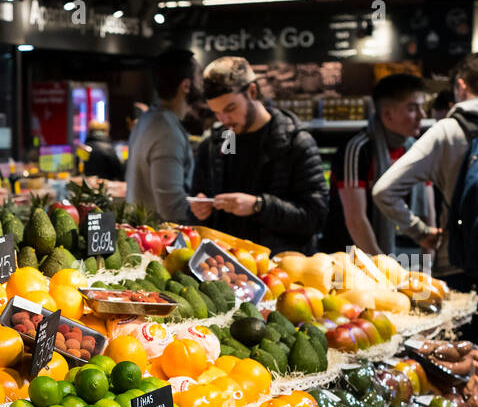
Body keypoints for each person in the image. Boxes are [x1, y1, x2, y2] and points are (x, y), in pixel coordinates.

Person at [374, 50, 478, 364]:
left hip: (458, 267)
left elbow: (384, 191)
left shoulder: (446, 132)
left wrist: (421, 232)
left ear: (461, 86)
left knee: (454, 374)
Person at [191, 56, 328, 254]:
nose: (224, 119)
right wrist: (199, 210)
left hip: (280, 270)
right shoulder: (215, 146)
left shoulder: (295, 143)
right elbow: (199, 204)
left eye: (230, 108)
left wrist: (259, 206)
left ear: (252, 91)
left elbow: (316, 217)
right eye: (217, 113)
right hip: (224, 267)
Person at [322, 73, 433, 256]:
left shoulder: (419, 151)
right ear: (388, 114)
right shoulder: (358, 150)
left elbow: (429, 214)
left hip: (407, 255)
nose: (421, 115)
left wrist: (427, 260)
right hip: (354, 258)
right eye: (413, 108)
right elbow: (356, 220)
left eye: (423, 107)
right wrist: (383, 269)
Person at [126, 47, 200, 222]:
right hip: (161, 240)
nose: (203, 84)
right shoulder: (167, 132)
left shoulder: (147, 120)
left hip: (145, 235)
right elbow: (172, 207)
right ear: (186, 85)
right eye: (200, 78)